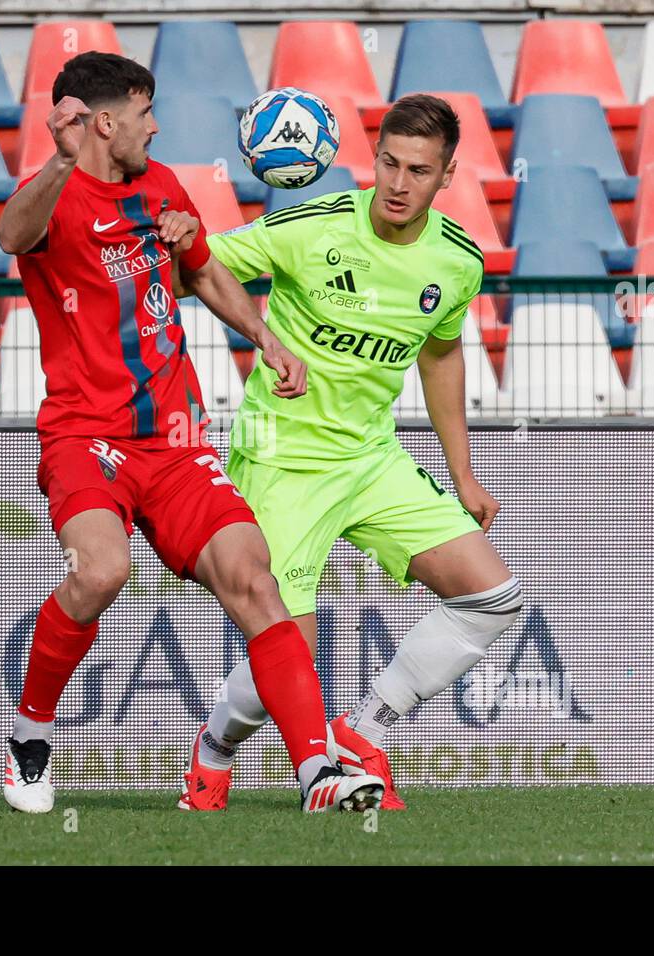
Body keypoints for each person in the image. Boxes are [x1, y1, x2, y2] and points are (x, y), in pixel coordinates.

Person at [0, 51, 384, 814]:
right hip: (85, 438)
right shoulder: (55, 197)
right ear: (105, 123)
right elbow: (12, 235)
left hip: (174, 440)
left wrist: (265, 340)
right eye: (144, 113)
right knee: (100, 573)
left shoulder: (164, 185)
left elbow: (204, 271)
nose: (156, 125)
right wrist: (59, 161)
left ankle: (317, 772)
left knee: (254, 577)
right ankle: (29, 737)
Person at [173, 94, 523, 811]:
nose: (399, 184)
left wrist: (463, 474)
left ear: (447, 175)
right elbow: (199, 266)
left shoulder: (456, 262)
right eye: (389, 164)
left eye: (419, 171)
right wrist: (181, 240)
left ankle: (365, 730)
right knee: (285, 655)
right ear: (373, 161)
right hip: (282, 460)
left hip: (372, 458)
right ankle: (212, 749)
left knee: (493, 597)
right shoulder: (310, 226)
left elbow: (442, 356)